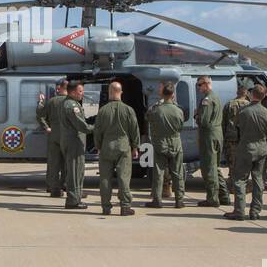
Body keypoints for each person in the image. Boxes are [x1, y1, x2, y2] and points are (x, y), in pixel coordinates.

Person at [225, 84, 267, 220]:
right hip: (261, 149)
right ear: (265, 95)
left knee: (240, 179)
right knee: (258, 180)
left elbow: (235, 127)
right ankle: (255, 211)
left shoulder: (243, 111)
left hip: (246, 148)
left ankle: (239, 211)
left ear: (252, 95)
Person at [94, 81, 141, 216]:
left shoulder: (102, 111)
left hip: (106, 147)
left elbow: (97, 131)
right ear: (121, 92)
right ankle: (125, 206)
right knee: (124, 177)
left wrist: (98, 146)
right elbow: (134, 130)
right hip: (123, 147)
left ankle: (106, 207)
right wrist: (135, 147)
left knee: (105, 178)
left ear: (109, 92)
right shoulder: (128, 110)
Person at [145, 82, 186, 208]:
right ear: (173, 94)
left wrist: (158, 104)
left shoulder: (156, 109)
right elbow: (180, 126)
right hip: (175, 143)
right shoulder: (178, 110)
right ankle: (179, 200)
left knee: (159, 173)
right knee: (177, 172)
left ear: (162, 94)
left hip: (160, 144)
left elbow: (148, 117)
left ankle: (157, 200)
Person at [194, 76, 229, 206]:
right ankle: (224, 195)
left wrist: (196, 115)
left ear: (206, 84)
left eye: (199, 85)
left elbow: (203, 121)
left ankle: (212, 198)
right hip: (217, 134)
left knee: (209, 168)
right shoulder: (216, 97)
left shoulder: (207, 100)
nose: (198, 88)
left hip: (209, 136)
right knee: (215, 167)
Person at [59, 81, 91, 210]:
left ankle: (76, 197)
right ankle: (72, 200)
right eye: (80, 91)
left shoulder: (71, 103)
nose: (82, 94)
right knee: (74, 171)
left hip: (73, 142)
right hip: (74, 142)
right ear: (72, 92)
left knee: (77, 171)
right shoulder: (71, 105)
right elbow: (81, 125)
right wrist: (95, 128)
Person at [37, 79, 68, 197]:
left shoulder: (51, 101)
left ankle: (52, 186)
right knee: (67, 162)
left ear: (59, 88)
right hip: (67, 136)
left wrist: (46, 127)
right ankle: (65, 184)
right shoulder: (72, 102)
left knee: (53, 163)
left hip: (53, 135)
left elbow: (40, 115)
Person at [222, 82, 250, 197]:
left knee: (232, 163)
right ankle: (242, 186)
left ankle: (233, 186)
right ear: (246, 94)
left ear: (237, 93)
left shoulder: (229, 105)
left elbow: (223, 123)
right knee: (244, 164)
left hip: (231, 139)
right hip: (244, 139)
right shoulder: (249, 105)